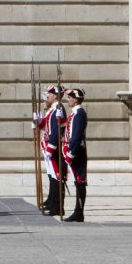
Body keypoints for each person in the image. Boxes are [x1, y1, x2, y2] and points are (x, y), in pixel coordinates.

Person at [33, 85, 66, 216]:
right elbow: (45, 124)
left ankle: (57, 206)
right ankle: (52, 202)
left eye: (50, 94)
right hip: (49, 148)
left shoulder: (58, 108)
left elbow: (56, 131)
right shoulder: (53, 109)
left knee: (57, 177)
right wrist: (37, 120)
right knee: (52, 176)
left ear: (56, 96)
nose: (48, 96)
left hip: (54, 149)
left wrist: (50, 148)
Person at [62, 88, 88, 222]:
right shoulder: (74, 113)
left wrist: (70, 154)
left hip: (77, 153)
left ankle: (79, 212)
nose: (68, 99)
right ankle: (77, 212)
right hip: (72, 152)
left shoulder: (79, 114)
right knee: (77, 181)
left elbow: (77, 136)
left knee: (80, 181)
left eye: (70, 97)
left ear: (76, 99)